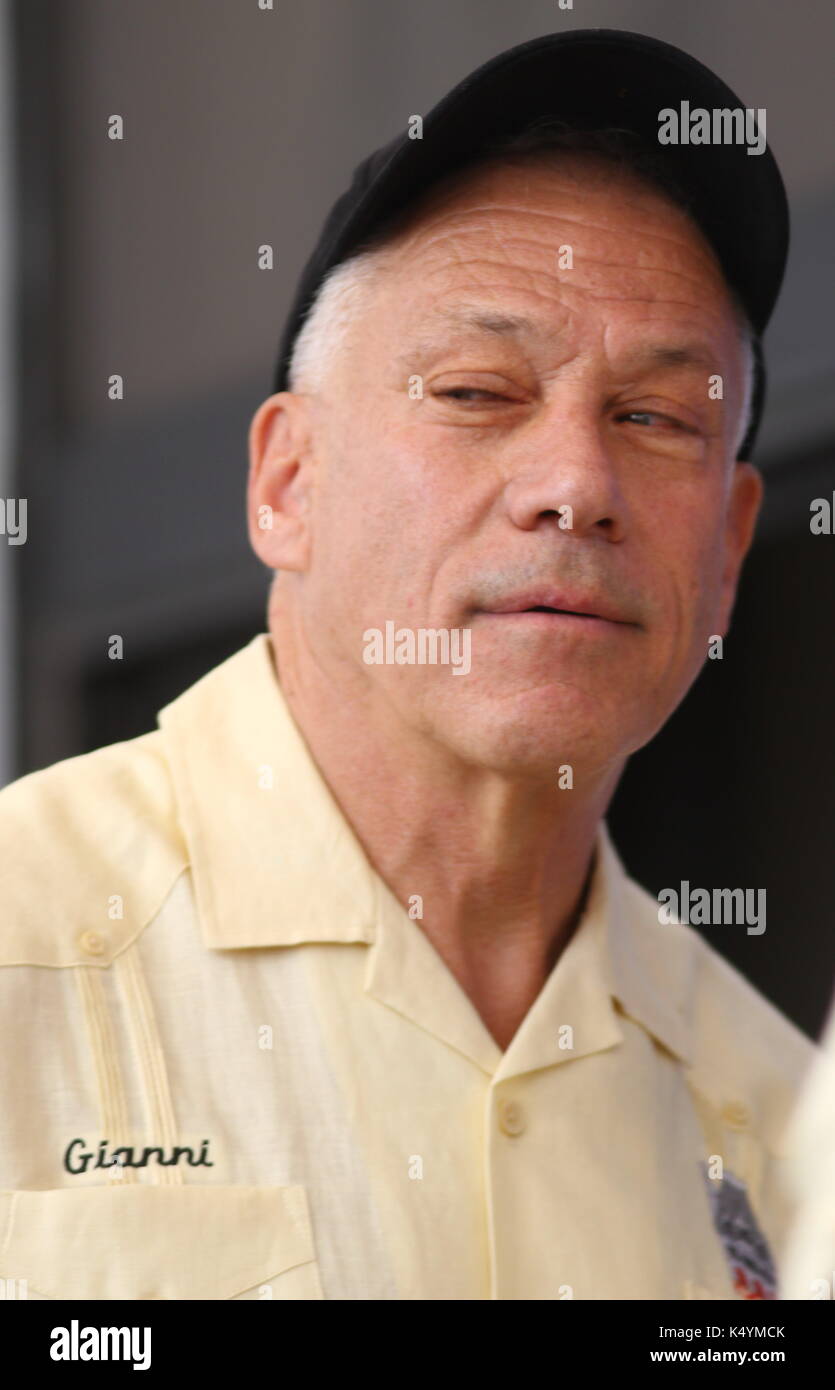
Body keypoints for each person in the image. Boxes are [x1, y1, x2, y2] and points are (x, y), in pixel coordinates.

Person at [0, 30, 818, 1301]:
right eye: (479, 390)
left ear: (725, 551)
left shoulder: (779, 1136)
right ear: (287, 483)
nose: (574, 487)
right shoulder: (26, 940)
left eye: (656, 417)